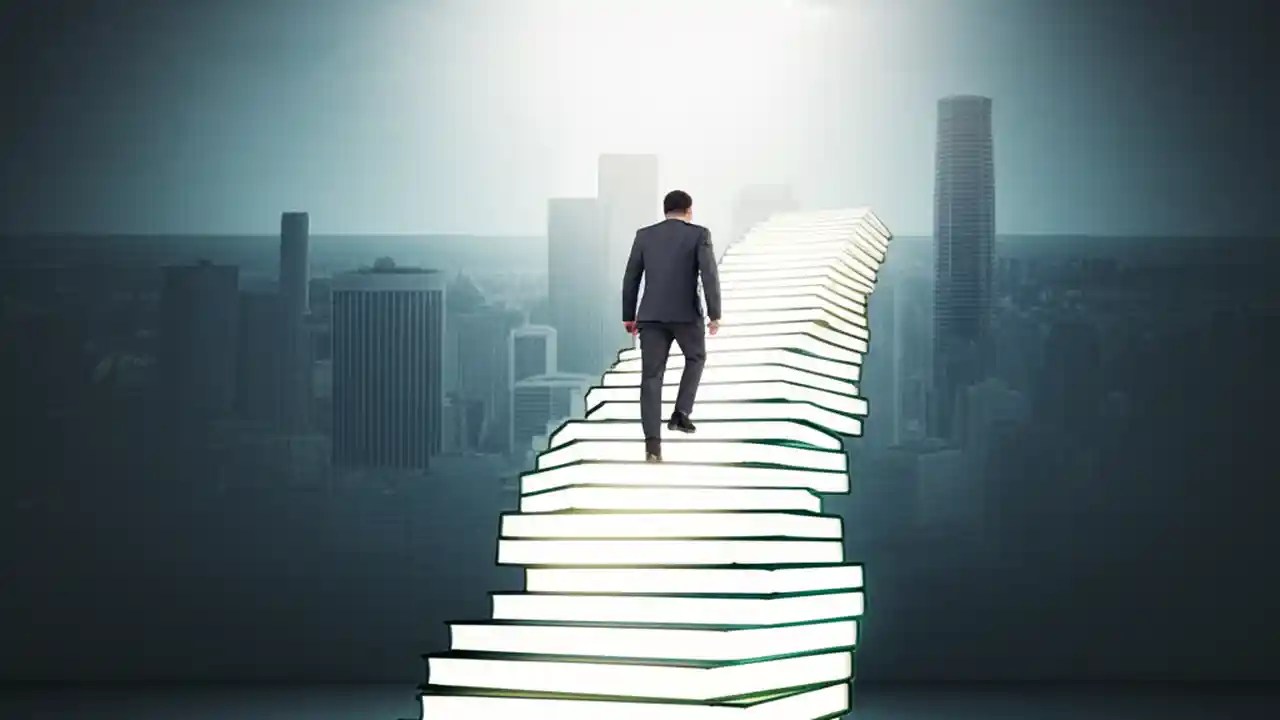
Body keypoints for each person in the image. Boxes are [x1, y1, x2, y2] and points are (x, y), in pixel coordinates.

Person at [620, 189, 721, 463]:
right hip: (687, 315)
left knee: (651, 378)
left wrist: (628, 315)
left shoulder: (644, 235)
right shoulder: (699, 234)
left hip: (651, 316)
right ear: (688, 210)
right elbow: (709, 275)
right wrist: (714, 314)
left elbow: (631, 276)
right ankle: (681, 412)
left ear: (665, 211)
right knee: (696, 357)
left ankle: (652, 448)